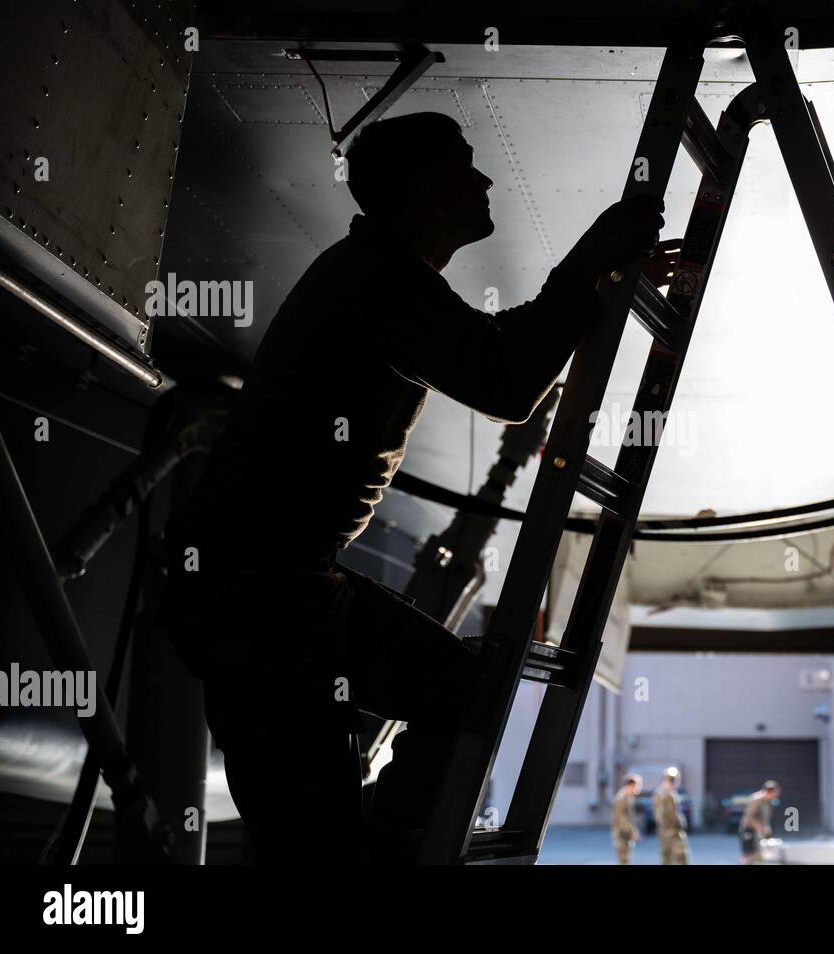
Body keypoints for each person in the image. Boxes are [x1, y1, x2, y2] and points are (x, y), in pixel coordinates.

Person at [156, 111, 669, 863]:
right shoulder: (378, 278)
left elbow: (497, 355)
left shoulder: (381, 273)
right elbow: (504, 375)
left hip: (280, 589)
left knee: (462, 695)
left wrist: (595, 276)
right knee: (318, 841)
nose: (485, 178)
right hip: (257, 601)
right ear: (424, 192)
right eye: (464, 164)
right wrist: (592, 253)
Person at [652, 766, 689, 865]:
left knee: (666, 860)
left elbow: (658, 816)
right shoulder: (669, 795)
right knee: (681, 859)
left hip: (663, 833)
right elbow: (674, 816)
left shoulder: (658, 793)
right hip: (673, 833)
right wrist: (682, 824)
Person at [738, 780, 780, 864]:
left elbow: (765, 818)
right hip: (749, 830)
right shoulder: (756, 799)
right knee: (749, 855)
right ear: (770, 792)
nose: (775, 796)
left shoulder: (768, 802)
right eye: (775, 793)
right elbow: (750, 817)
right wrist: (760, 828)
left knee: (759, 856)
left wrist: (767, 830)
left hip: (759, 831)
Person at [611, 774, 642, 864]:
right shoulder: (622, 798)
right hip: (622, 834)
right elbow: (621, 818)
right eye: (637, 786)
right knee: (623, 861)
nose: (638, 789)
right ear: (631, 785)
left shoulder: (627, 797)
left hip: (624, 833)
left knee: (625, 860)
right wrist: (632, 831)